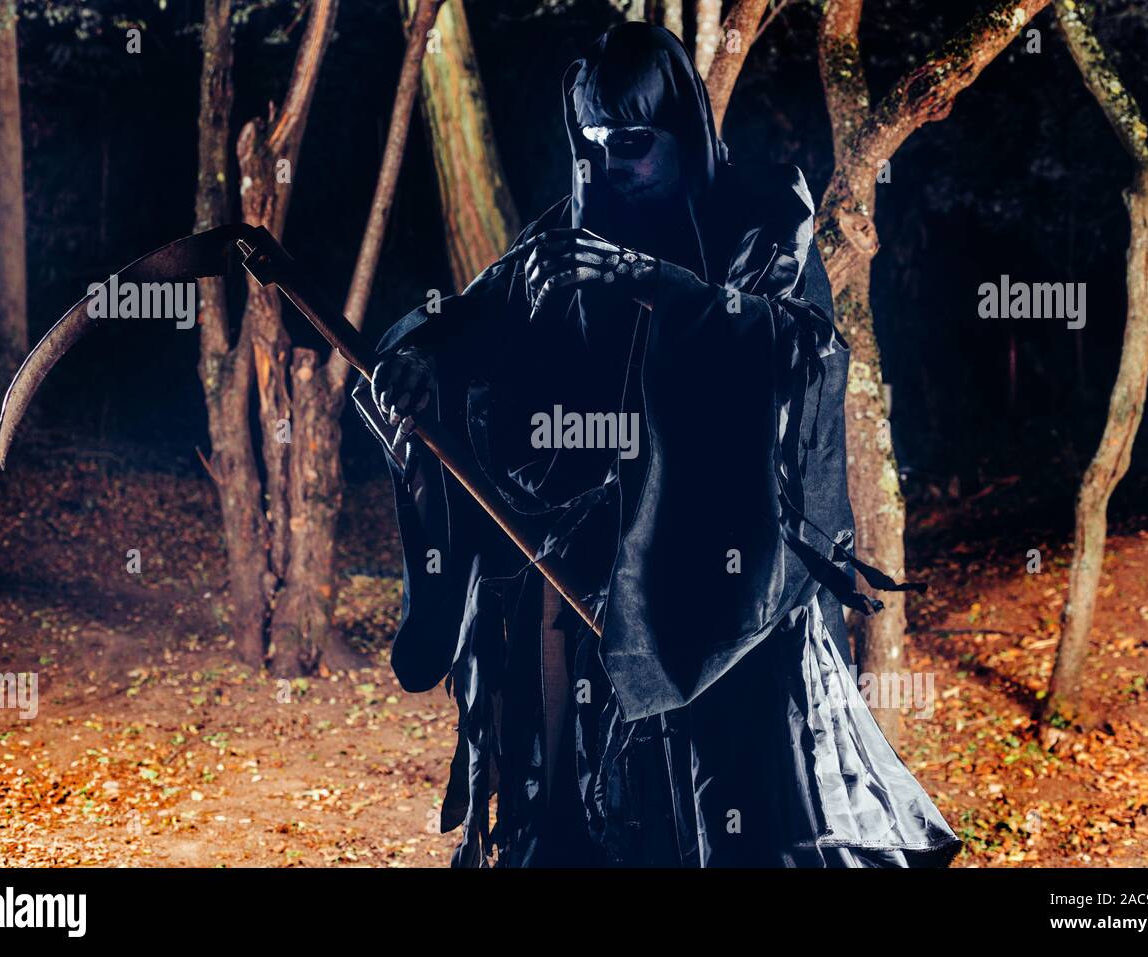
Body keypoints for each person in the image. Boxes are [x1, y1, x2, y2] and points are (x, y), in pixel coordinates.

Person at [354, 22, 961, 867]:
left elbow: (799, 355)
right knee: (578, 823)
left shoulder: (759, 221)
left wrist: (658, 287)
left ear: (681, 129)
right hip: (584, 599)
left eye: (632, 145)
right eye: (591, 147)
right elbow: (467, 324)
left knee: (730, 819)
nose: (606, 168)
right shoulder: (562, 238)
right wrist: (419, 362)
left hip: (730, 606)